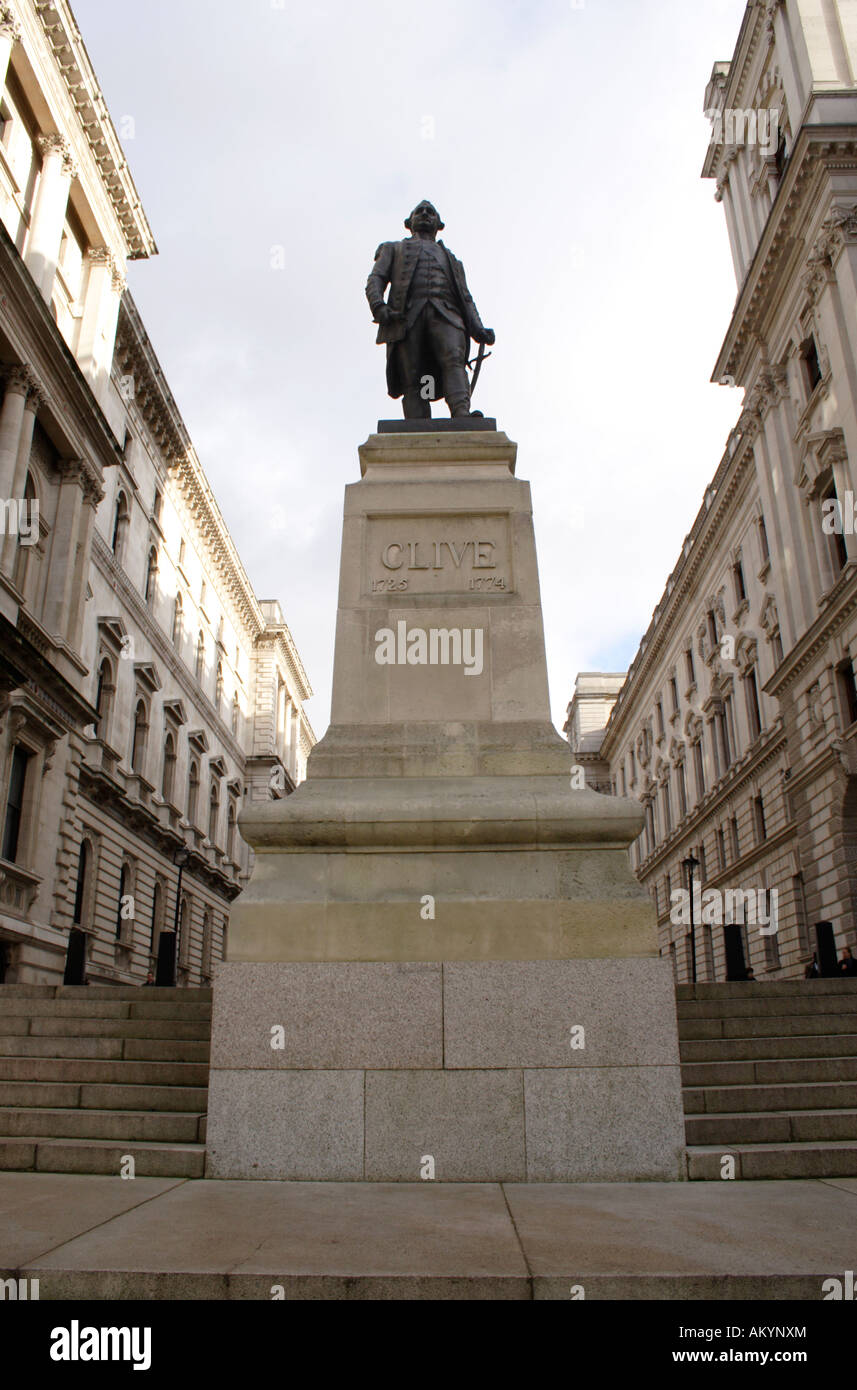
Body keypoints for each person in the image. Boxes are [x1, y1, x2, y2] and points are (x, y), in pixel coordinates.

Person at [366, 200, 495, 420]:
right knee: (412, 376)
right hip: (406, 317)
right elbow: (375, 279)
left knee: (453, 359)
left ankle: (462, 414)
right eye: (419, 212)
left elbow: (465, 297)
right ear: (409, 222)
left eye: (431, 212)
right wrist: (379, 307)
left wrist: (478, 328)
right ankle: (418, 423)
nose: (425, 214)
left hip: (447, 315)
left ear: (439, 223)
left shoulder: (453, 260)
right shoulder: (392, 249)